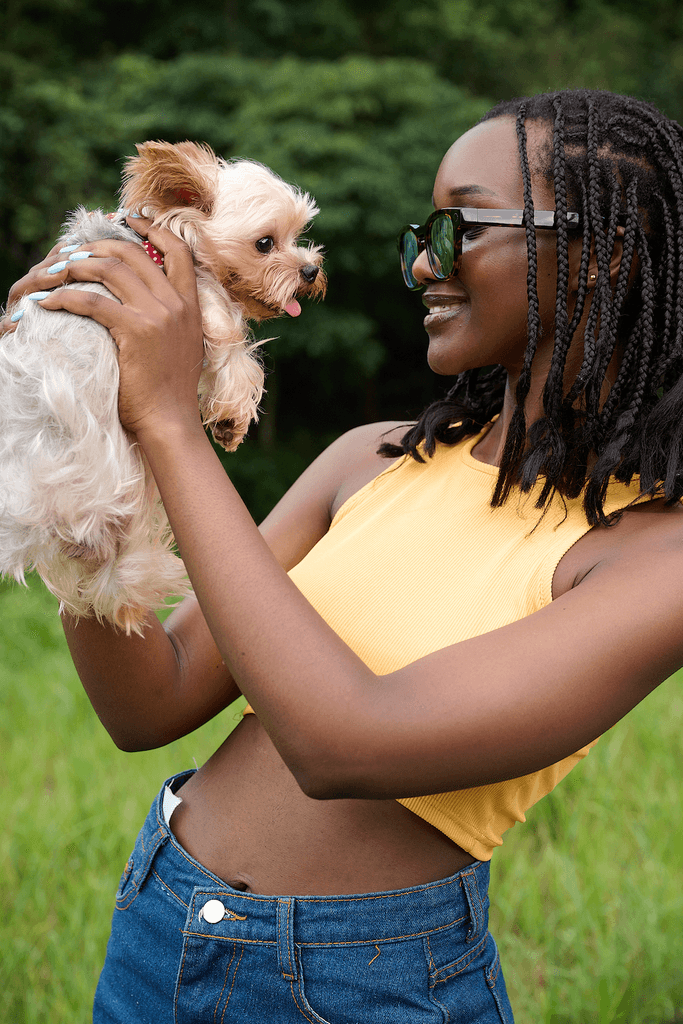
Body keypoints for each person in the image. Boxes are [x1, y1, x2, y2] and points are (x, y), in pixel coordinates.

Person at [4, 87, 683, 1023]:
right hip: (159, 929)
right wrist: (80, 425)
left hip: (363, 986)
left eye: (456, 232)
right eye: (420, 234)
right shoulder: (369, 460)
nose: (419, 265)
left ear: (603, 254)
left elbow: (343, 740)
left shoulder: (655, 559)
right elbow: (146, 700)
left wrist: (168, 419)